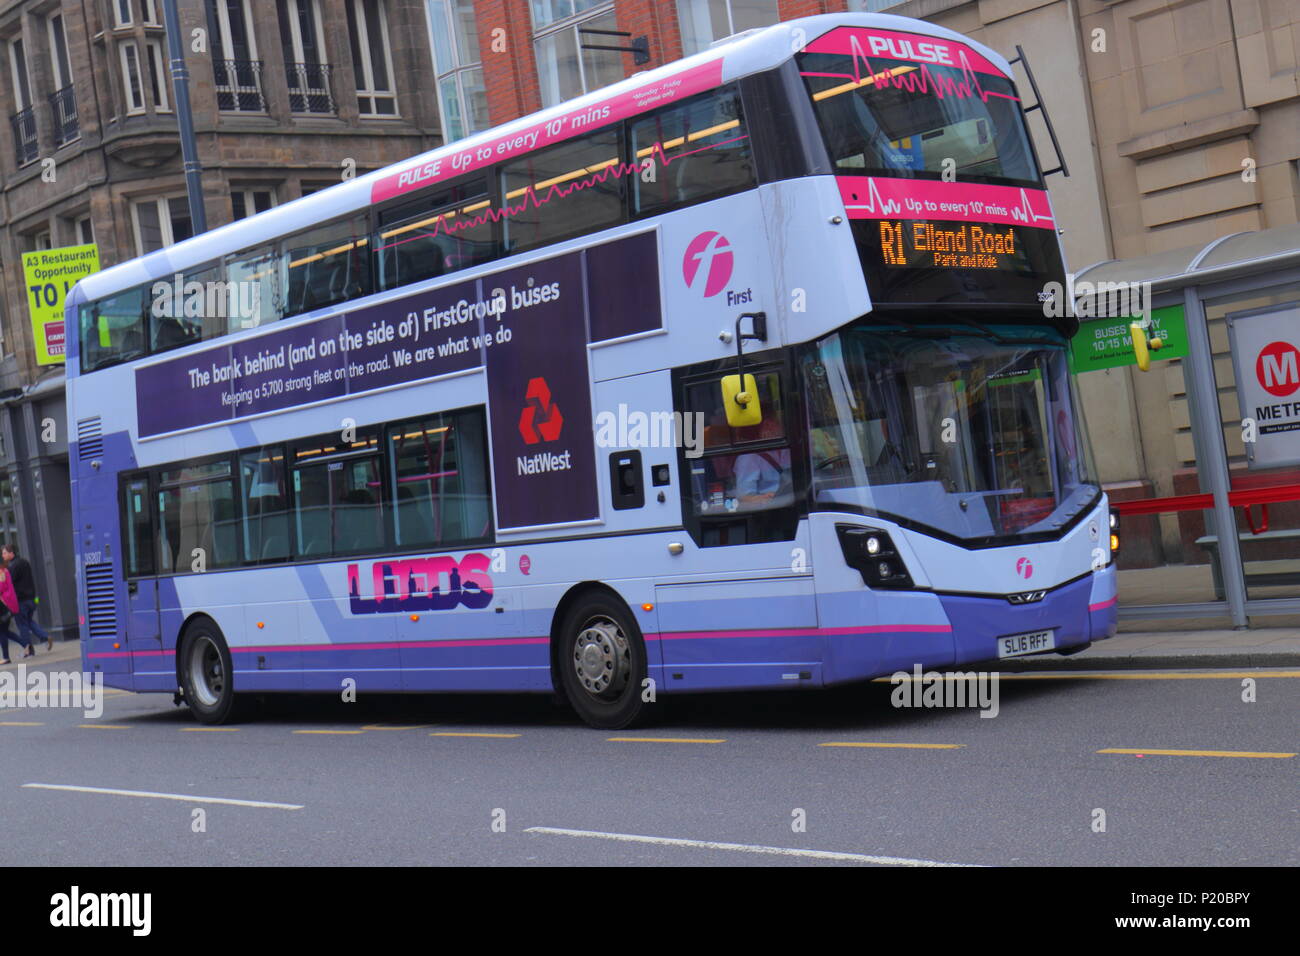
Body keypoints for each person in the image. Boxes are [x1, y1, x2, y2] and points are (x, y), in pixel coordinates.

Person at [3, 545, 50, 652]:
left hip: (20, 600)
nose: (3, 555)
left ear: (12, 553)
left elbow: (9, 584)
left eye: (5, 553)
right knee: (29, 621)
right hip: (31, 599)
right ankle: (45, 637)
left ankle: (28, 650)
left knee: (22, 625)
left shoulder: (12, 567)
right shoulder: (25, 562)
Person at [0, 563, 29, 663]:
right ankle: (25, 644)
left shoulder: (1, 572)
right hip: (7, 605)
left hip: (3, 606)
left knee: (2, 632)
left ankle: (6, 657)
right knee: (5, 632)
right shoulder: (5, 571)